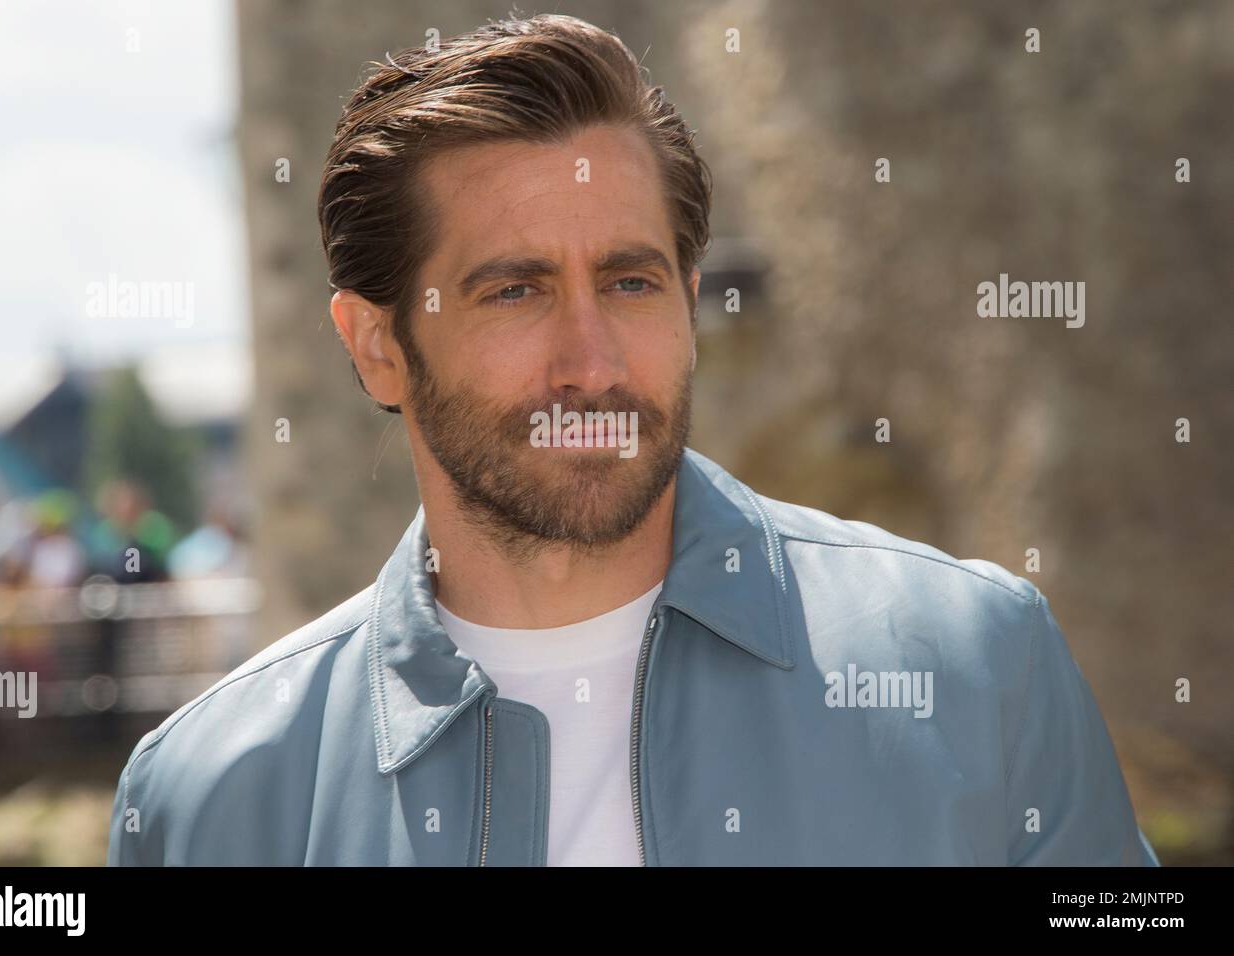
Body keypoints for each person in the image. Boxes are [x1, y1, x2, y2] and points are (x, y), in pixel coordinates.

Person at [108, 13, 1157, 866]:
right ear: (378, 344)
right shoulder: (212, 797)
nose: (593, 360)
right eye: (514, 290)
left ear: (688, 298)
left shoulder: (980, 667)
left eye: (630, 281)